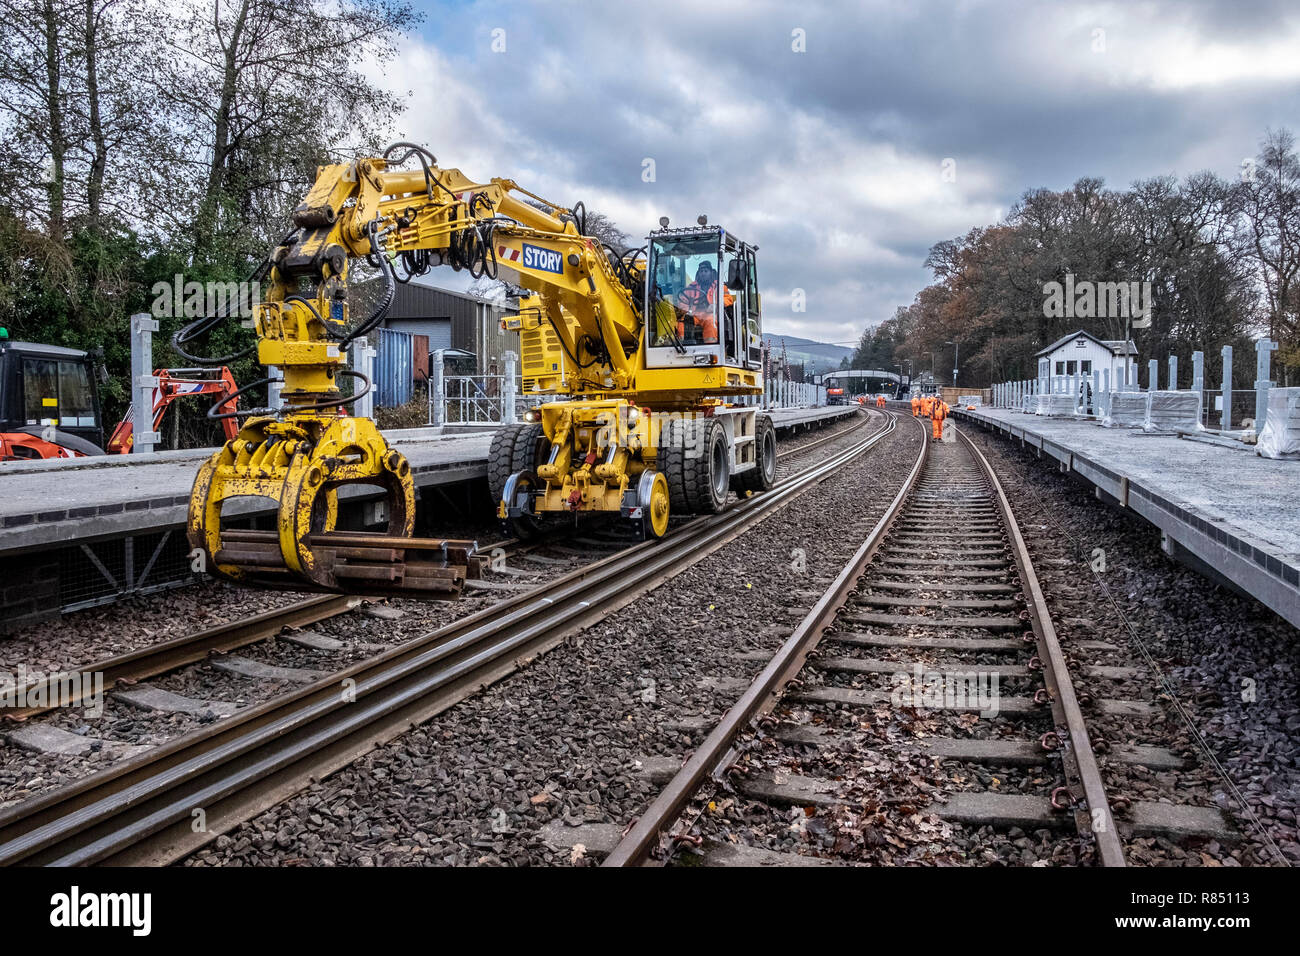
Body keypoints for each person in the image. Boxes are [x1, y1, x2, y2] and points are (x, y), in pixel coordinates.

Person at [675, 261, 730, 344]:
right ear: (698, 273)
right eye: (701, 271)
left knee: (710, 323)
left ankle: (712, 353)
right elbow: (682, 302)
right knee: (682, 324)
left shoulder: (719, 286)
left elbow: (728, 299)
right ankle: (682, 349)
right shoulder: (691, 287)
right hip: (694, 315)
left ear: (711, 272)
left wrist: (716, 305)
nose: (703, 273)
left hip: (710, 315)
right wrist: (687, 310)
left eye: (705, 271)